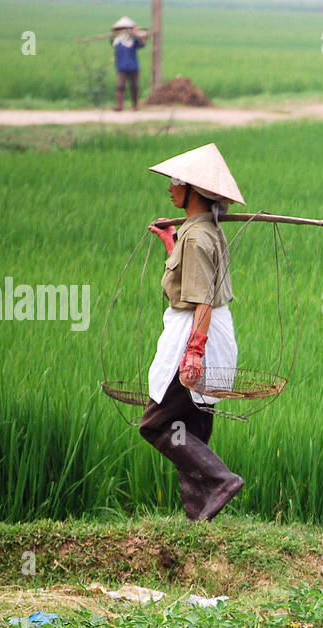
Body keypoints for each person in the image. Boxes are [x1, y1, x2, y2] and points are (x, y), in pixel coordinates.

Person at [140, 143, 244, 521]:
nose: (170, 187)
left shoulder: (198, 238)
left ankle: (221, 481)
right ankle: (198, 516)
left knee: (156, 424)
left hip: (194, 332)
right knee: (190, 427)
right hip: (209, 328)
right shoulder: (201, 232)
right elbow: (193, 276)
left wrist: (193, 353)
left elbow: (200, 300)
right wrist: (171, 241)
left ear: (194, 191)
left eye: (177, 181)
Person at [111, 16, 147, 111]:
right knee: (120, 86)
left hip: (133, 67)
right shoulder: (117, 42)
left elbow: (142, 43)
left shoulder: (133, 41)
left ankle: (135, 106)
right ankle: (119, 106)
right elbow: (116, 53)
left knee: (134, 87)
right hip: (122, 67)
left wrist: (138, 34)